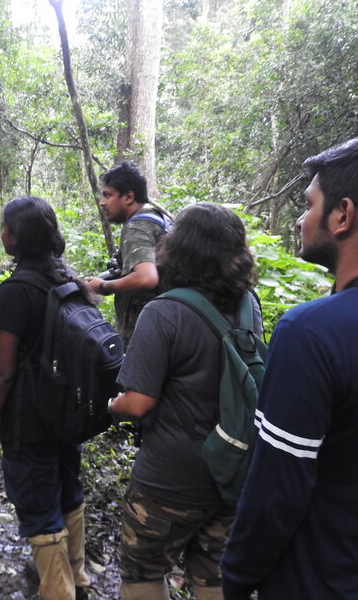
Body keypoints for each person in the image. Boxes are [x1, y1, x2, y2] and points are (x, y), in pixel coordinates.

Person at [221, 132, 358, 599]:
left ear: (343, 215)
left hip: (321, 582)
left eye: (309, 205)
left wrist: (237, 576)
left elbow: (274, 490)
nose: (303, 219)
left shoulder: (313, 332)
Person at [108, 203, 262, 600]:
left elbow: (137, 403)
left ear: (176, 247)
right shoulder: (250, 305)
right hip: (232, 471)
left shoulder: (164, 312)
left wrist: (111, 405)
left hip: (168, 482)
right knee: (214, 576)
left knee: (142, 570)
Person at [0, 196, 93, 600]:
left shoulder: (15, 292)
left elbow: (4, 371)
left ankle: (59, 592)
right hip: (69, 414)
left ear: (17, 238)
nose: (2, 233)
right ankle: (78, 577)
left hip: (29, 419)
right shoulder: (69, 281)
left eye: (6, 227)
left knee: (39, 509)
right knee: (68, 490)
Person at [84, 161, 171, 341]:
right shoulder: (157, 218)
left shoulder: (137, 226)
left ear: (129, 197)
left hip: (151, 333)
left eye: (108, 195)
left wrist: (102, 286)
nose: (102, 202)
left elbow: (146, 277)